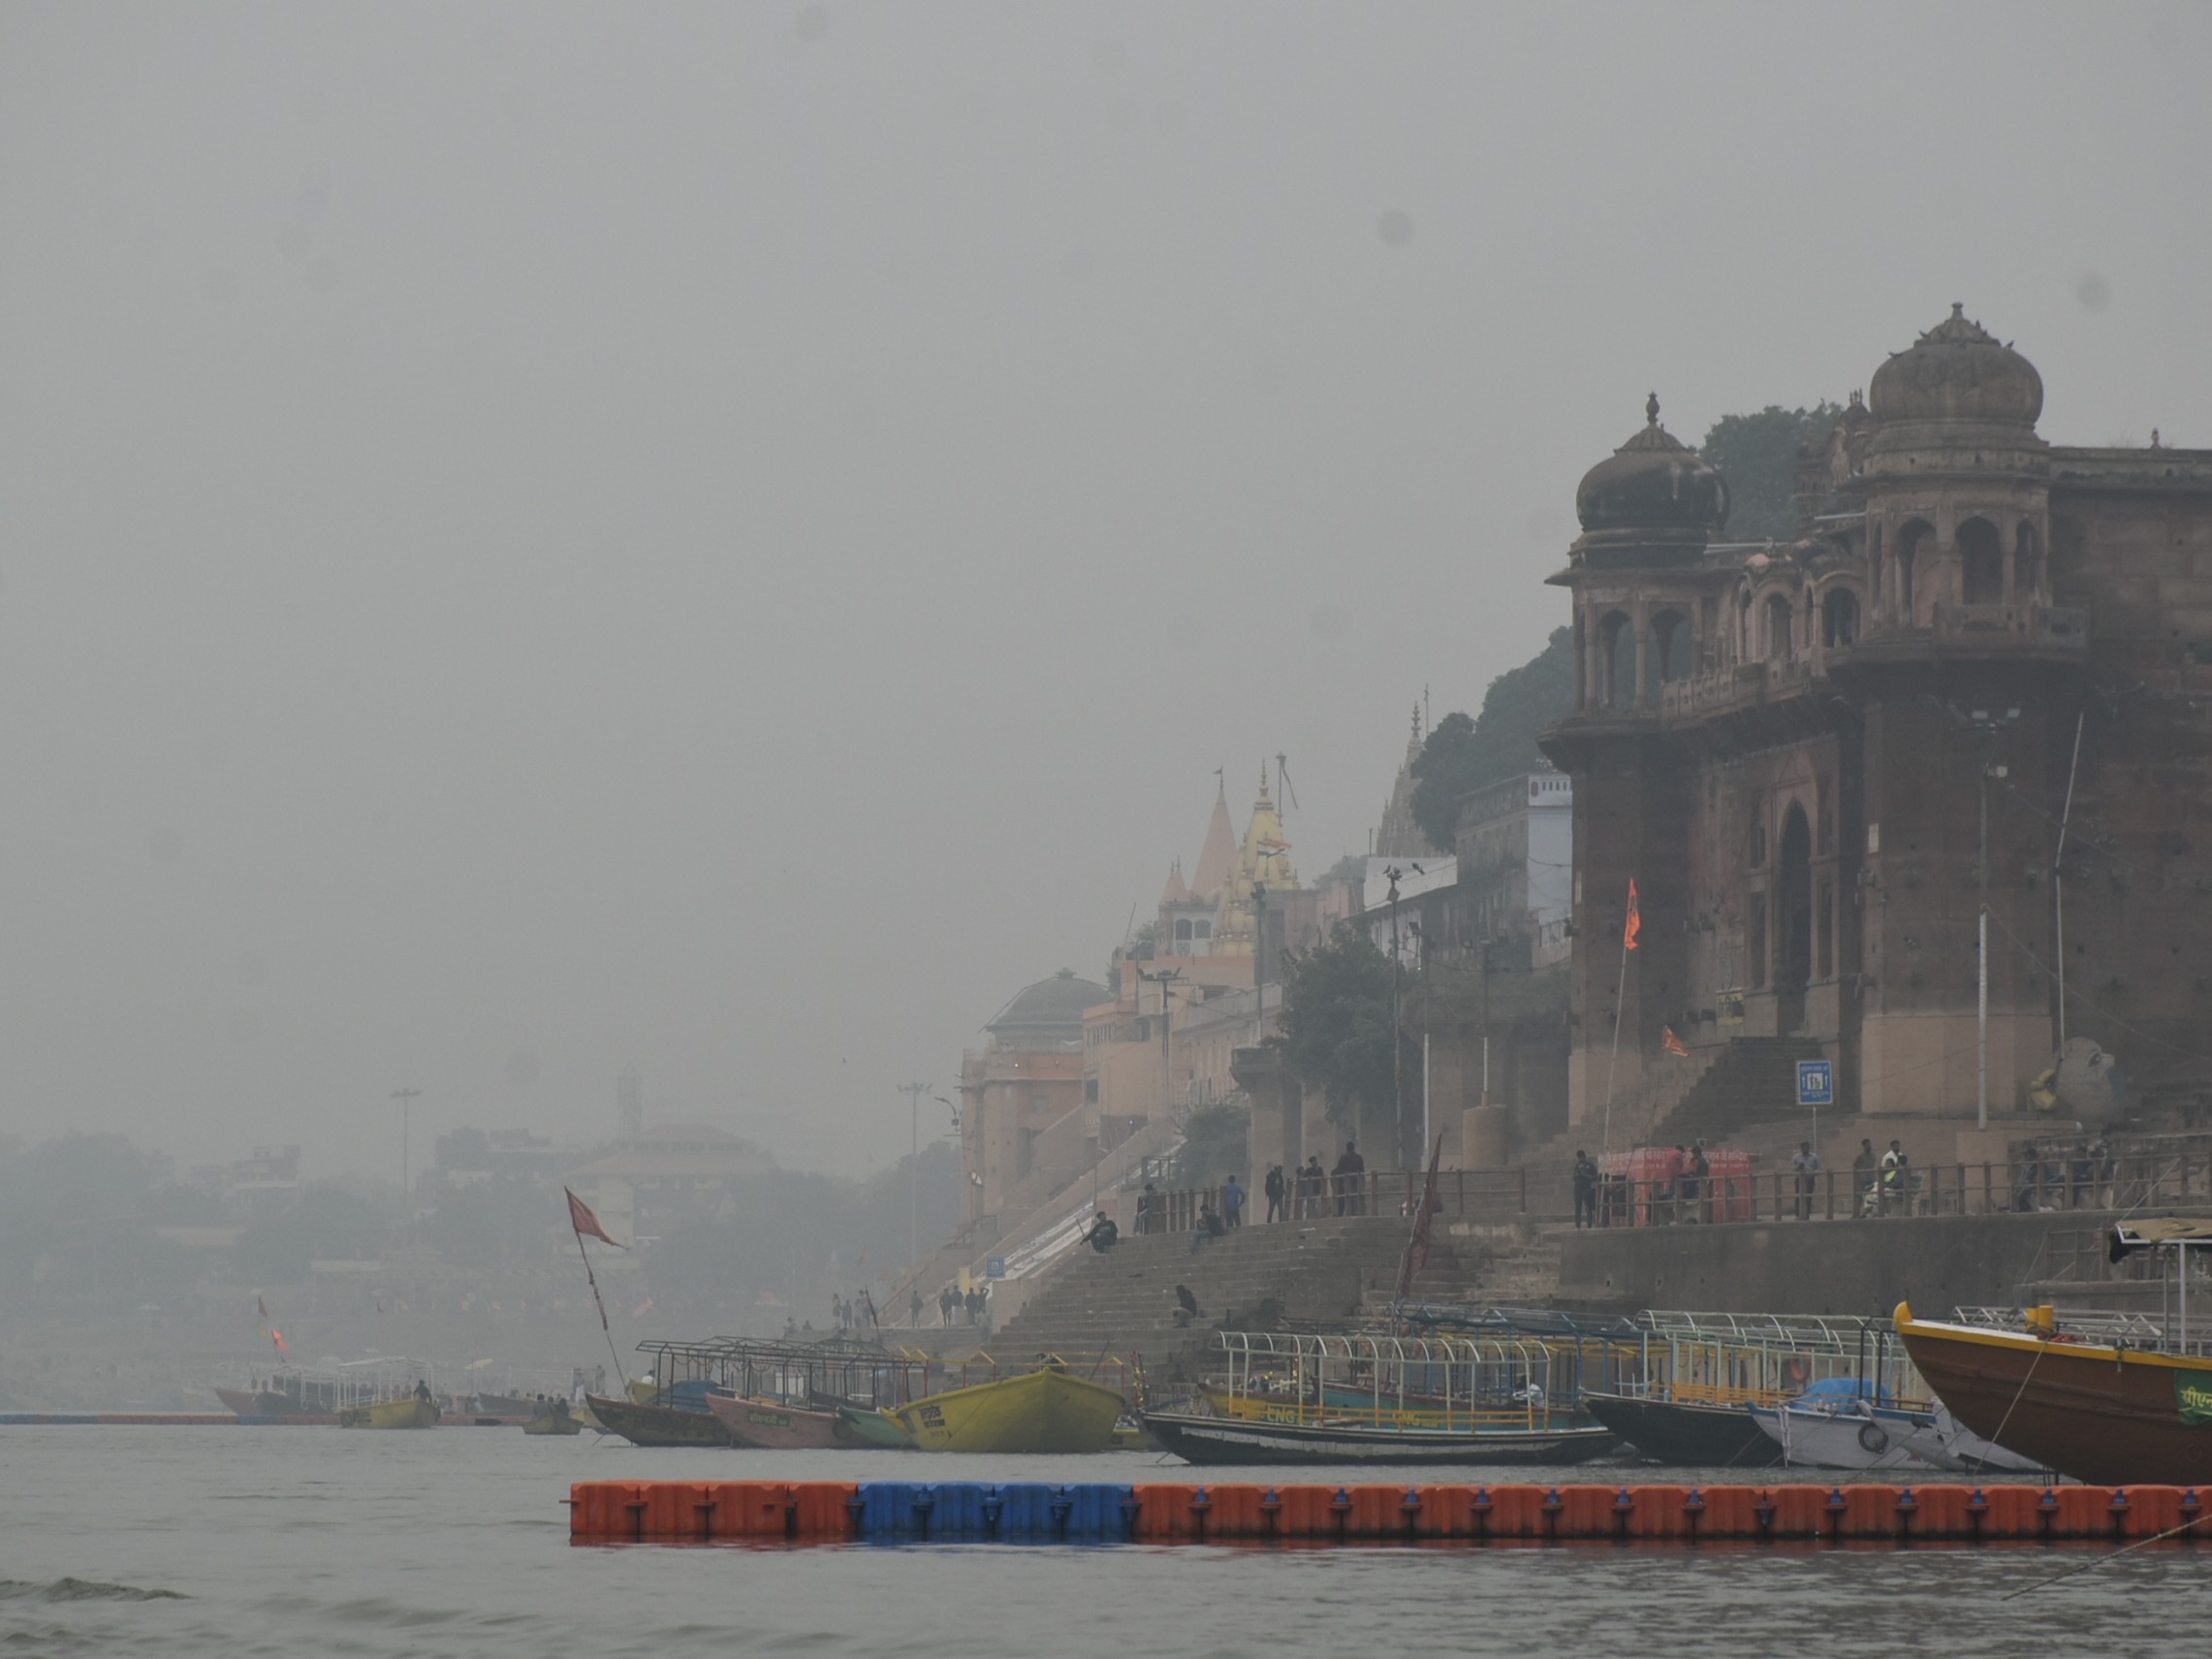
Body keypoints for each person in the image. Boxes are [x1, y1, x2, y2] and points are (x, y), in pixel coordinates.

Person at [1333, 1140, 1366, 1216]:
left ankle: (1348, 1211)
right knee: (1356, 1195)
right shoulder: (1358, 1157)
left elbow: (1339, 1169)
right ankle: (1356, 1210)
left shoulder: (1343, 1158)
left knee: (1347, 1195)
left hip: (1346, 1179)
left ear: (1346, 1148)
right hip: (1357, 1179)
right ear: (1354, 1148)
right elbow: (1362, 1169)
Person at [1790, 1140, 1821, 1221]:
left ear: (1808, 1148)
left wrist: (1813, 1173)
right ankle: (1797, 1215)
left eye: (1804, 1148)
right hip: (1799, 1179)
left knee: (1808, 1197)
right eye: (1801, 1149)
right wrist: (1798, 1167)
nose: (1803, 1150)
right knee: (1798, 1197)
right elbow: (1792, 1168)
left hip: (1810, 1179)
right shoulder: (1796, 1157)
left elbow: (1819, 1168)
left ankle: (1806, 1216)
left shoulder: (1814, 1157)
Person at [1571, 1150, 1598, 1230]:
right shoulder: (1577, 1166)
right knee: (1578, 1208)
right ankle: (1578, 1225)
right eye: (1579, 1158)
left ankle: (1589, 1225)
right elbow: (1574, 1177)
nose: (1580, 1159)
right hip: (1578, 1189)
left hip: (1587, 1188)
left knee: (1588, 1207)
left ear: (1584, 1157)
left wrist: (1584, 1175)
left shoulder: (1590, 1166)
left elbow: (1595, 1177)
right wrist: (1577, 1175)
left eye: (1581, 1157)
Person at [1880, 1138, 1908, 1215]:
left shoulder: (1901, 1155)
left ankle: (1883, 1211)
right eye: (1895, 1146)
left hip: (1897, 1186)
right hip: (1890, 1179)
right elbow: (1883, 1170)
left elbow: (1898, 1181)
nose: (1897, 1147)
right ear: (1891, 1147)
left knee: (1883, 1191)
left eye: (1898, 1146)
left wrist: (1889, 1185)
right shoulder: (1887, 1156)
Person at [1852, 1138, 1879, 1218]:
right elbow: (1855, 1165)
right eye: (1867, 1144)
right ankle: (1856, 1214)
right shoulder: (1860, 1156)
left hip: (1871, 1179)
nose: (1868, 1146)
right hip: (1863, 1179)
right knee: (1860, 1197)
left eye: (1869, 1144)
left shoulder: (1873, 1155)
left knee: (1871, 1196)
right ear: (1863, 1146)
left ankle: (1868, 1213)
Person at [1687, 1141, 1712, 1225]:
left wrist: (1691, 1175)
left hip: (1701, 1184)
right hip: (1703, 1183)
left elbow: (1698, 1174)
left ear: (1696, 1153)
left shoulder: (1700, 1161)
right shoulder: (1702, 1160)